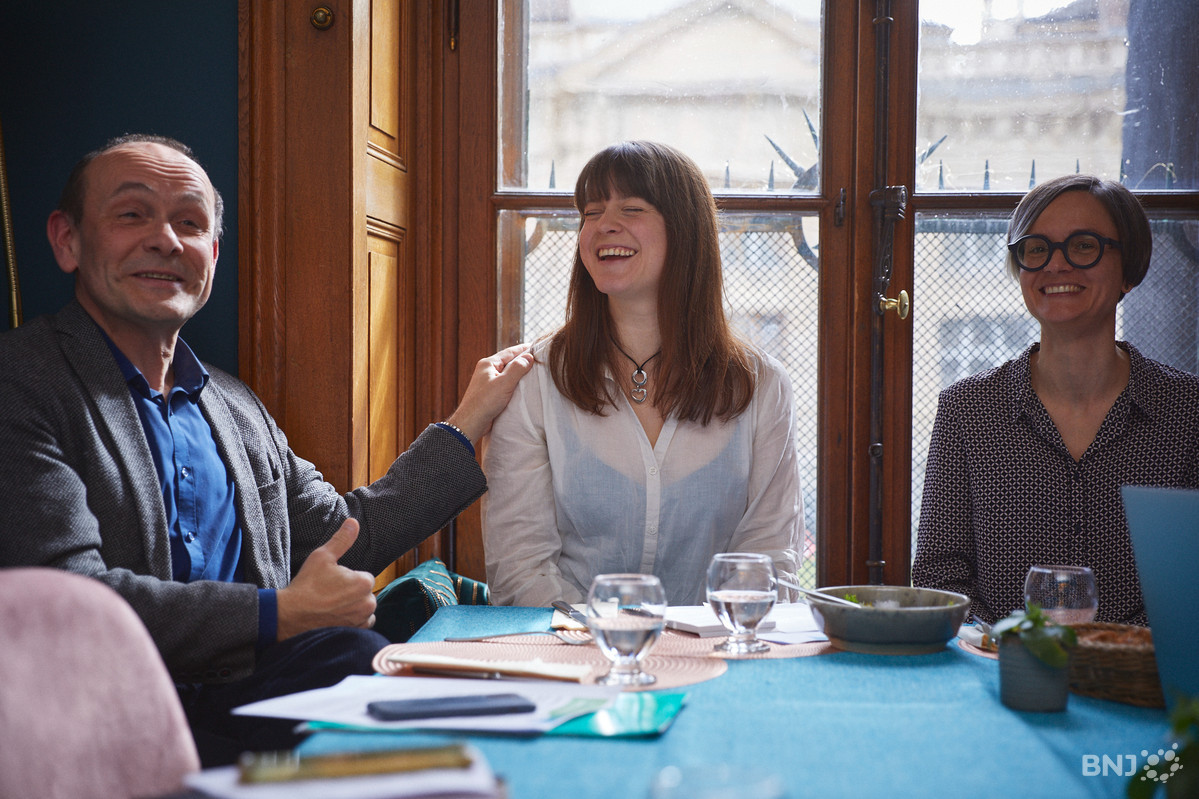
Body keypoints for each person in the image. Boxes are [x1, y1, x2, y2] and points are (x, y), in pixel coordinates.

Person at [0, 134, 533, 762]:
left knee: (387, 668)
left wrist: (469, 420)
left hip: (251, 698)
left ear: (212, 254)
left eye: (190, 223)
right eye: (132, 214)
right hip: (100, 713)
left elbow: (345, 535)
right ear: (67, 240)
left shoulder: (236, 405)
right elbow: (73, 601)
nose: (166, 240)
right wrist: (275, 614)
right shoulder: (23, 383)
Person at [481, 141, 802, 607]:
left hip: (718, 647)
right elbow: (520, 570)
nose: (603, 225)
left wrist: (696, 642)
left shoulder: (763, 387)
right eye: (591, 212)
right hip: (569, 645)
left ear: (687, 232)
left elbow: (769, 561)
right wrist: (600, 638)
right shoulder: (533, 381)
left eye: (632, 208)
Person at [912, 174, 1199, 626]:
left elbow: (1189, 586)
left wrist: (1115, 652)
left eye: (1084, 246)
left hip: (1145, 668)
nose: (1056, 265)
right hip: (998, 664)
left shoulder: (1188, 411)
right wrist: (1011, 646)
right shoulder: (966, 410)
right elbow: (939, 577)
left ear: (1129, 269)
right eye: (1036, 248)